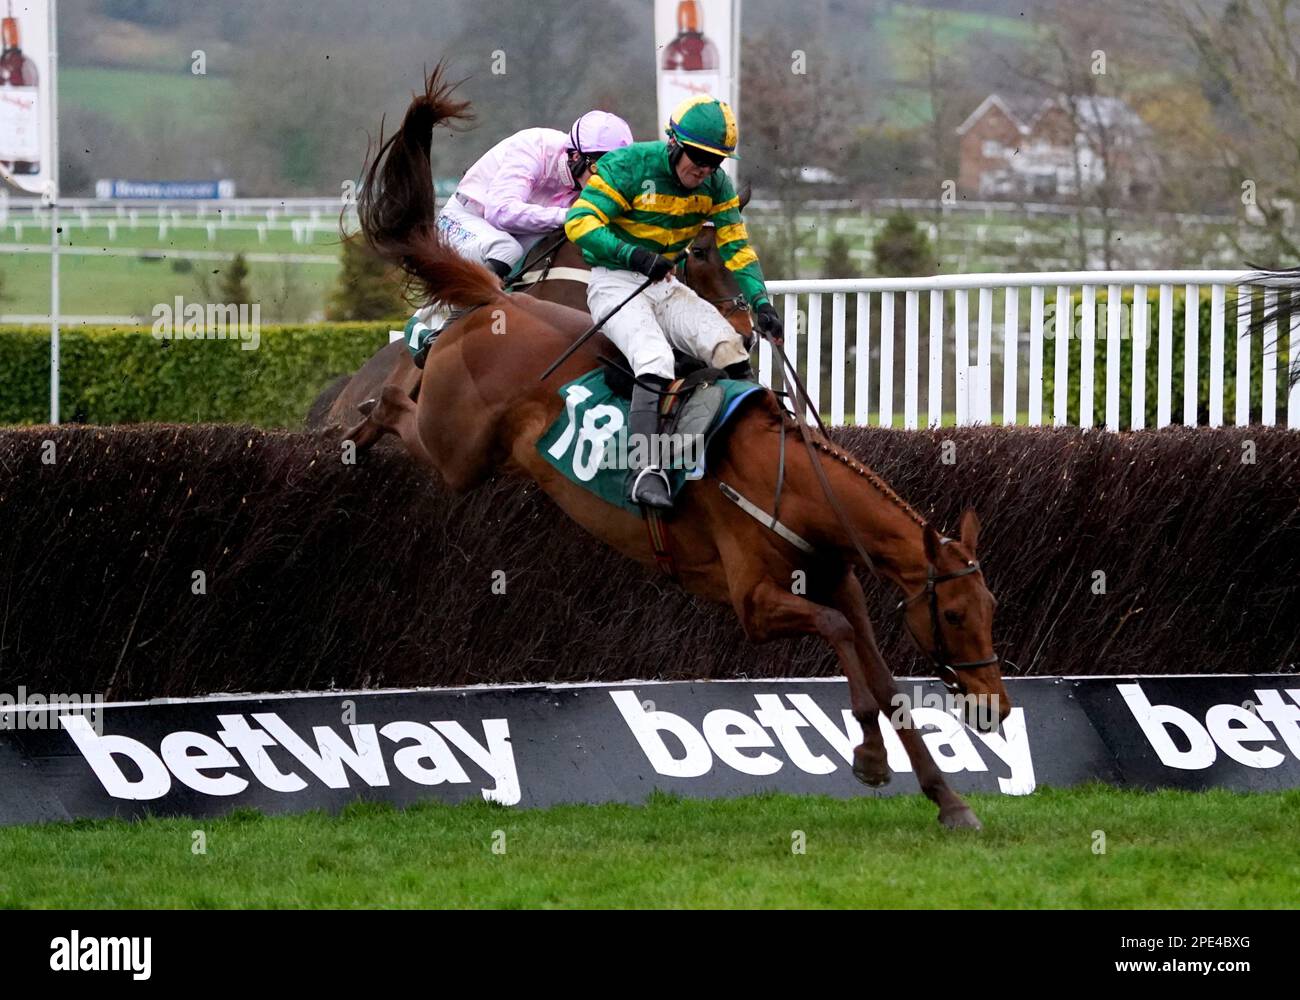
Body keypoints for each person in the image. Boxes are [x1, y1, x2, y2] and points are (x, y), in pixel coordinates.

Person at [564, 94, 783, 510]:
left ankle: (757, 444)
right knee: (655, 359)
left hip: (665, 285)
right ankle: (645, 470)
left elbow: (736, 247)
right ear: (674, 144)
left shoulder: (716, 187)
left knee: (729, 346)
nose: (703, 169)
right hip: (615, 282)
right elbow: (580, 222)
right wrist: (634, 255)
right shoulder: (628, 165)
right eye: (697, 157)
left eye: (714, 162)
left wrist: (761, 304)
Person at [405, 110, 634, 367]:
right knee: (506, 250)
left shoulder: (583, 174)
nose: (604, 182)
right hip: (464, 220)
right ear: (577, 155)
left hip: (512, 232)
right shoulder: (535, 146)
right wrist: (571, 216)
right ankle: (442, 333)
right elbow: (501, 211)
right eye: (599, 170)